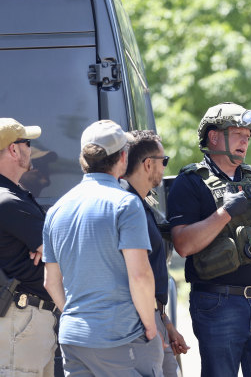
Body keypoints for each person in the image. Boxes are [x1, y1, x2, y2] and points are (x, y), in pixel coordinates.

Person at [167, 102, 251, 377]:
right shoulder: (190, 182)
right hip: (217, 304)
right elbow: (183, 244)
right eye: (238, 134)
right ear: (214, 136)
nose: (245, 141)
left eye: (248, 137)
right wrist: (224, 213)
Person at [43, 120, 163, 376]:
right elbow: (140, 276)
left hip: (73, 339)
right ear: (123, 157)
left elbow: (51, 283)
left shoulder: (56, 210)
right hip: (121, 336)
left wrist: (79, 318)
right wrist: (151, 327)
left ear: (83, 158)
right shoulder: (125, 204)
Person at [122, 130, 189, 376]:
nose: (164, 167)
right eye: (164, 161)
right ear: (148, 164)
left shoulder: (142, 202)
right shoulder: (127, 207)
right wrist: (151, 327)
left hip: (153, 319)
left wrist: (166, 323)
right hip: (140, 325)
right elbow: (133, 276)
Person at [0, 118, 58, 376]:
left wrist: (48, 247)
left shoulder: (13, 196)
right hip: (20, 322)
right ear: (14, 150)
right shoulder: (8, 201)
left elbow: (53, 248)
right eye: (27, 143)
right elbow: (63, 253)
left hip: (27, 322)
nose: (31, 150)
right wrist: (52, 249)